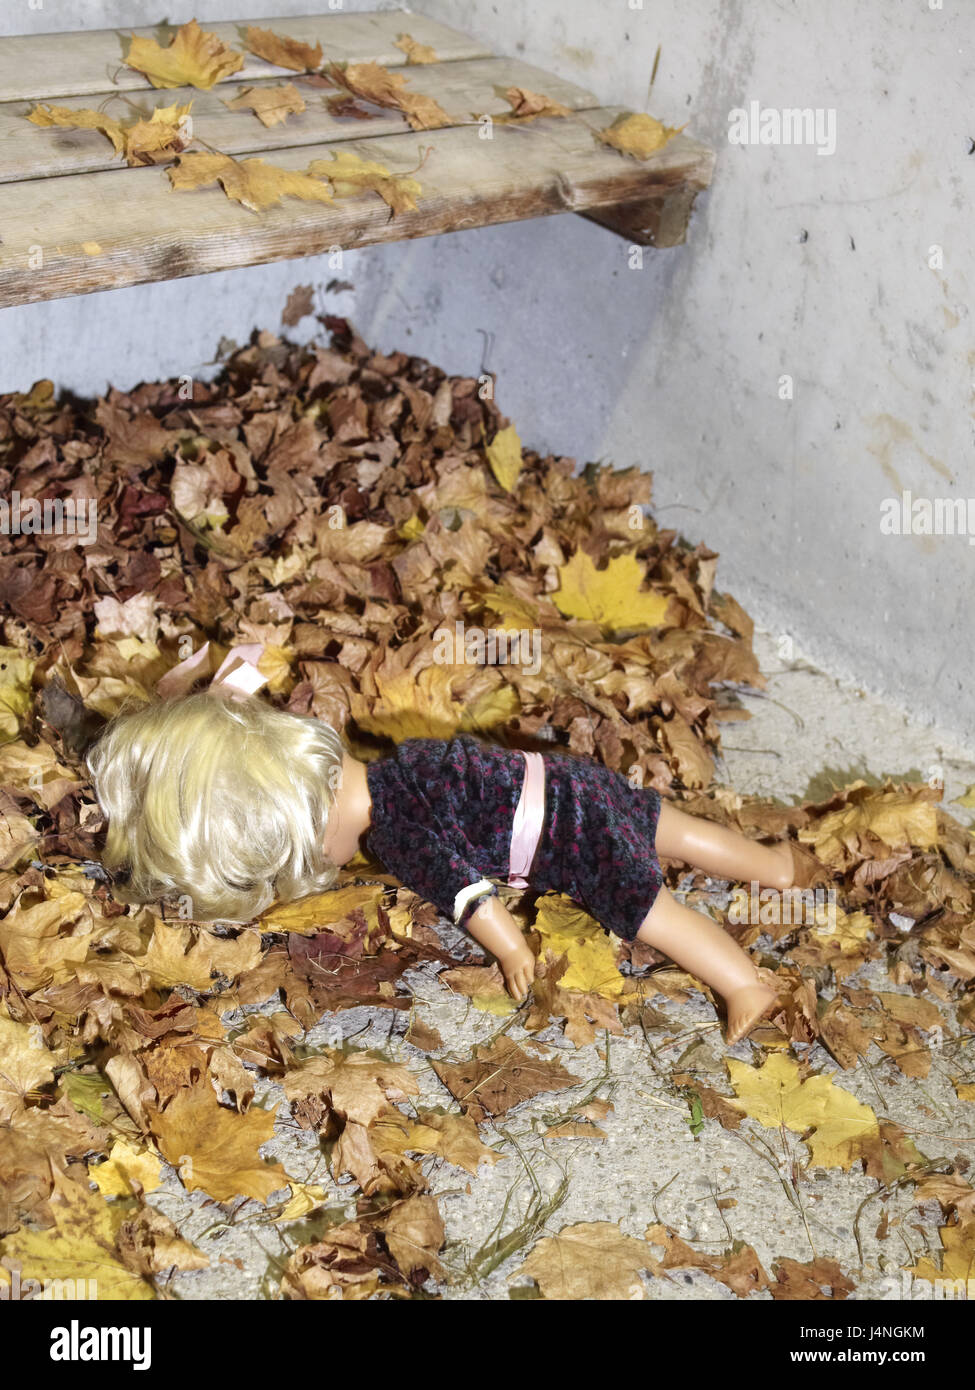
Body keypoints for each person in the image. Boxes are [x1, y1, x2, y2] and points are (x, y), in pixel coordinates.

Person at [86, 643, 815, 1046]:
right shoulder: (399, 764)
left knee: (649, 907)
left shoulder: (395, 830)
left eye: (312, 853)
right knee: (669, 827)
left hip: (565, 836)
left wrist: (510, 948)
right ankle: (773, 865)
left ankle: (745, 983)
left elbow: (467, 891)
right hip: (569, 782)